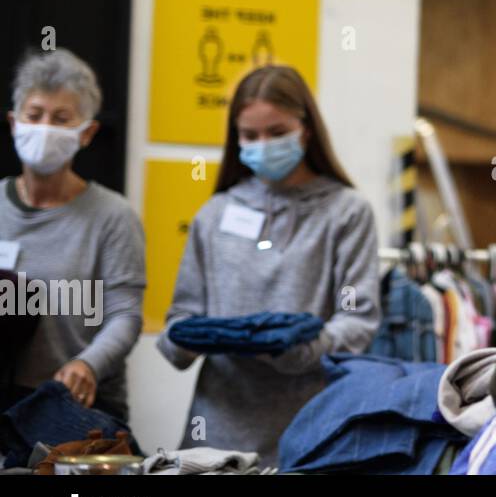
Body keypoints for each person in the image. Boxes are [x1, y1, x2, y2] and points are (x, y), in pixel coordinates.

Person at [156, 65, 380, 464]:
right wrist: (182, 339)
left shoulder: (347, 212)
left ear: (306, 129)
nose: (263, 145)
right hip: (215, 430)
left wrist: (299, 350)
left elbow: (357, 321)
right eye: (250, 136)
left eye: (277, 133)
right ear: (235, 139)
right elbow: (182, 315)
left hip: (310, 430)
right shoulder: (215, 213)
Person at [0, 49, 145, 421]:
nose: (45, 127)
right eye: (35, 116)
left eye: (61, 118)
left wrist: (88, 364)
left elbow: (125, 315)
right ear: (14, 123)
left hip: (78, 408)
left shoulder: (113, 216)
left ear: (87, 132)